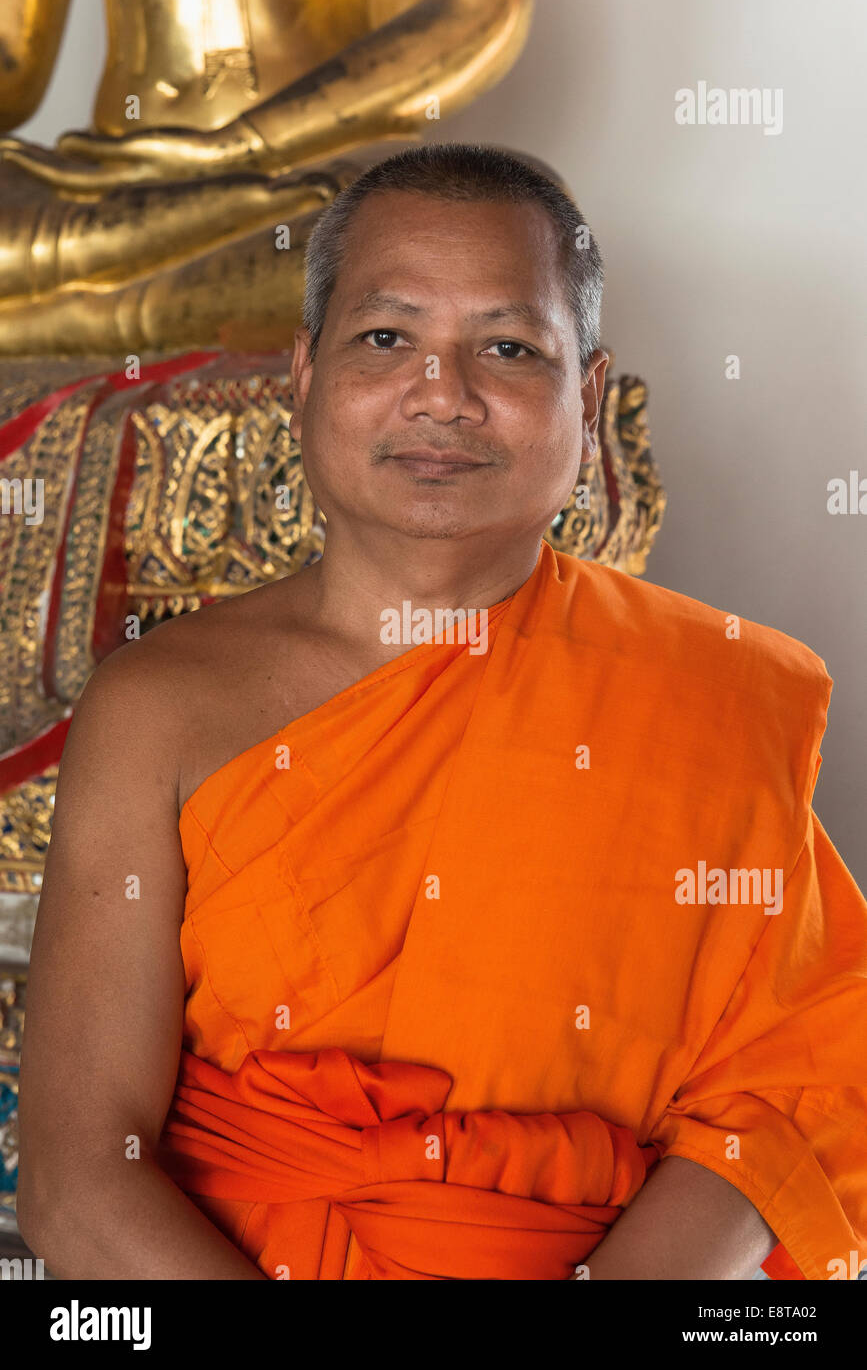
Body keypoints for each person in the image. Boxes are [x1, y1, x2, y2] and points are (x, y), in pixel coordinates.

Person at [16, 142, 867, 1281]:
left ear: (590, 395)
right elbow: (79, 1179)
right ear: (304, 373)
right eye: (387, 338)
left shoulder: (712, 694)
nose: (442, 393)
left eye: (507, 348)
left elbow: (784, 1101)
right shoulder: (161, 707)